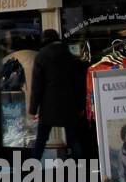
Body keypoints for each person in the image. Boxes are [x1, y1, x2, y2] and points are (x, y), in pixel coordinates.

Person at [28, 28, 89, 160]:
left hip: (48, 104)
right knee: (73, 138)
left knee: (41, 139)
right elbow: (77, 83)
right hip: (69, 103)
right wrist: (80, 106)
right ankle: (82, 167)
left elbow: (37, 86)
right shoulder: (69, 56)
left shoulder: (41, 56)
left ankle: (32, 168)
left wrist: (33, 109)